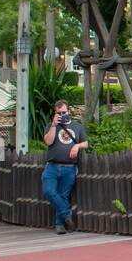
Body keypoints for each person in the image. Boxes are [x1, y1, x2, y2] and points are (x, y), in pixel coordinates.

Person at [42, 100, 88, 234]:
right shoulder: (51, 126)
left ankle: (60, 225)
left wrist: (77, 145)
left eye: (64, 112)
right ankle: (67, 215)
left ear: (69, 111)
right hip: (52, 166)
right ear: (55, 113)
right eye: (59, 113)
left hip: (69, 167)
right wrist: (53, 125)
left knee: (63, 195)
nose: (62, 114)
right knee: (49, 191)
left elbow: (86, 143)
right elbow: (48, 141)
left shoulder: (77, 126)